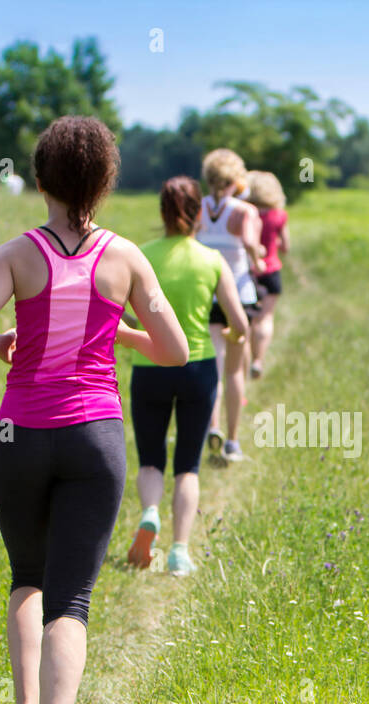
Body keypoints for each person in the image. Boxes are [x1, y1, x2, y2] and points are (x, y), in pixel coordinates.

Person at [0, 116, 188, 704]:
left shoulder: (16, 254)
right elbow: (174, 348)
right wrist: (124, 335)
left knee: (27, 576)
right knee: (73, 599)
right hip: (96, 438)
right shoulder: (126, 258)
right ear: (106, 181)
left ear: (41, 179)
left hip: (19, 436)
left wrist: (1, 344)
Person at [126, 177, 250, 576]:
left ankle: (149, 512)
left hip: (150, 367)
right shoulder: (211, 260)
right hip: (197, 367)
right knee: (188, 467)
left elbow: (119, 312)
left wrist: (142, 332)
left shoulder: (140, 256)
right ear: (198, 213)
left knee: (150, 459)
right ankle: (179, 552)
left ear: (161, 212)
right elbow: (240, 322)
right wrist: (232, 336)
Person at [196, 149, 264, 462]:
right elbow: (250, 241)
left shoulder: (200, 207)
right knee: (235, 370)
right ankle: (233, 442)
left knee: (213, 364)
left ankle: (212, 426)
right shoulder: (244, 211)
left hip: (206, 294)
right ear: (236, 178)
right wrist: (258, 258)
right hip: (237, 295)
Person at [246, 170, 290, 380]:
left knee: (248, 321)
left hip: (248, 273)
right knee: (265, 318)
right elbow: (286, 246)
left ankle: (244, 361)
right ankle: (258, 360)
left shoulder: (245, 212)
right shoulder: (279, 215)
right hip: (271, 271)